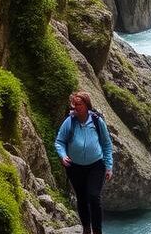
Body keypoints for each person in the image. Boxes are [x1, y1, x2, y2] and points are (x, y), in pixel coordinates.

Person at [54, 90, 113, 234]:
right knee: (81, 198)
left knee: (94, 196)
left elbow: (107, 144)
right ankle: (86, 228)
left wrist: (109, 166)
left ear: (87, 105)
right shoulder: (70, 121)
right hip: (75, 167)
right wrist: (62, 155)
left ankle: (97, 231)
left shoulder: (97, 121)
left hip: (96, 165)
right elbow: (59, 142)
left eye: (79, 104)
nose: (75, 107)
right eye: (74, 104)